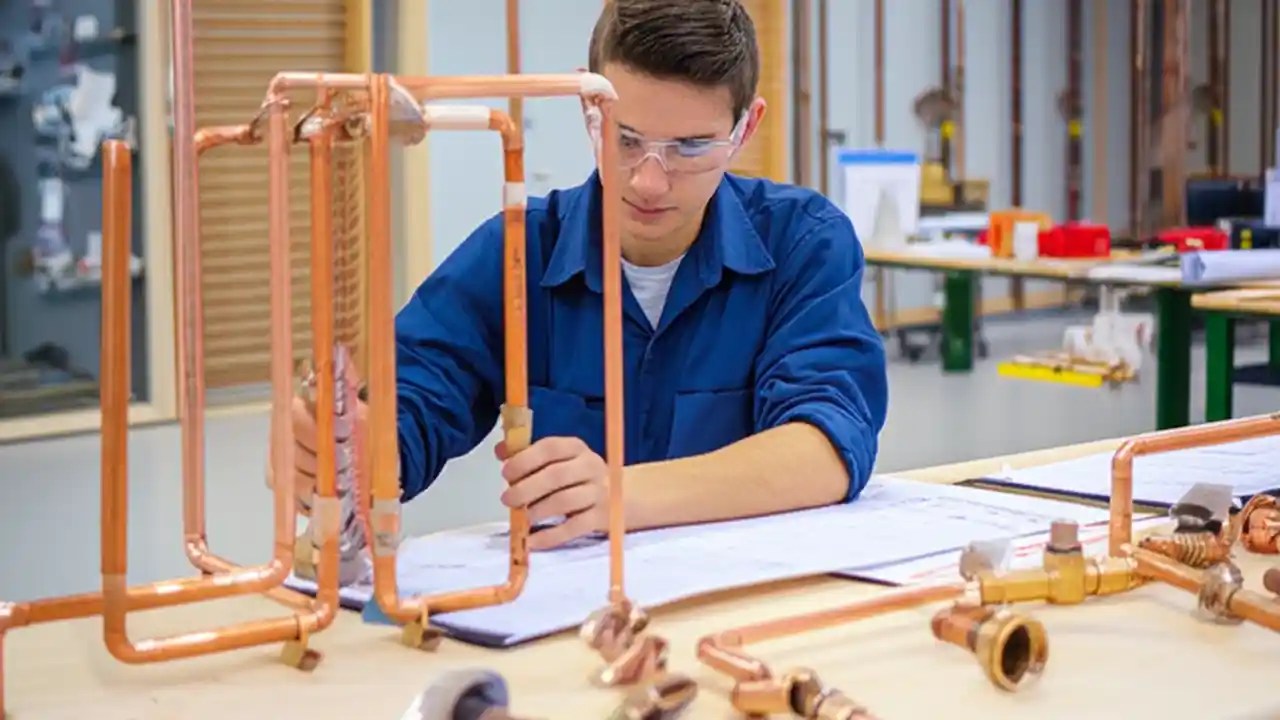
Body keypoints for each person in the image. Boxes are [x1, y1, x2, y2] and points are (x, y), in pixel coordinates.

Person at [291, 0, 889, 551]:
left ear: (745, 129)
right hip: (572, 622)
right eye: (624, 138)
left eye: (691, 147)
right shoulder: (517, 252)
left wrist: (619, 495)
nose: (649, 181)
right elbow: (413, 404)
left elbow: (826, 446)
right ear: (587, 104)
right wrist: (349, 453)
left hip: (748, 597)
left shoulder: (803, 243)